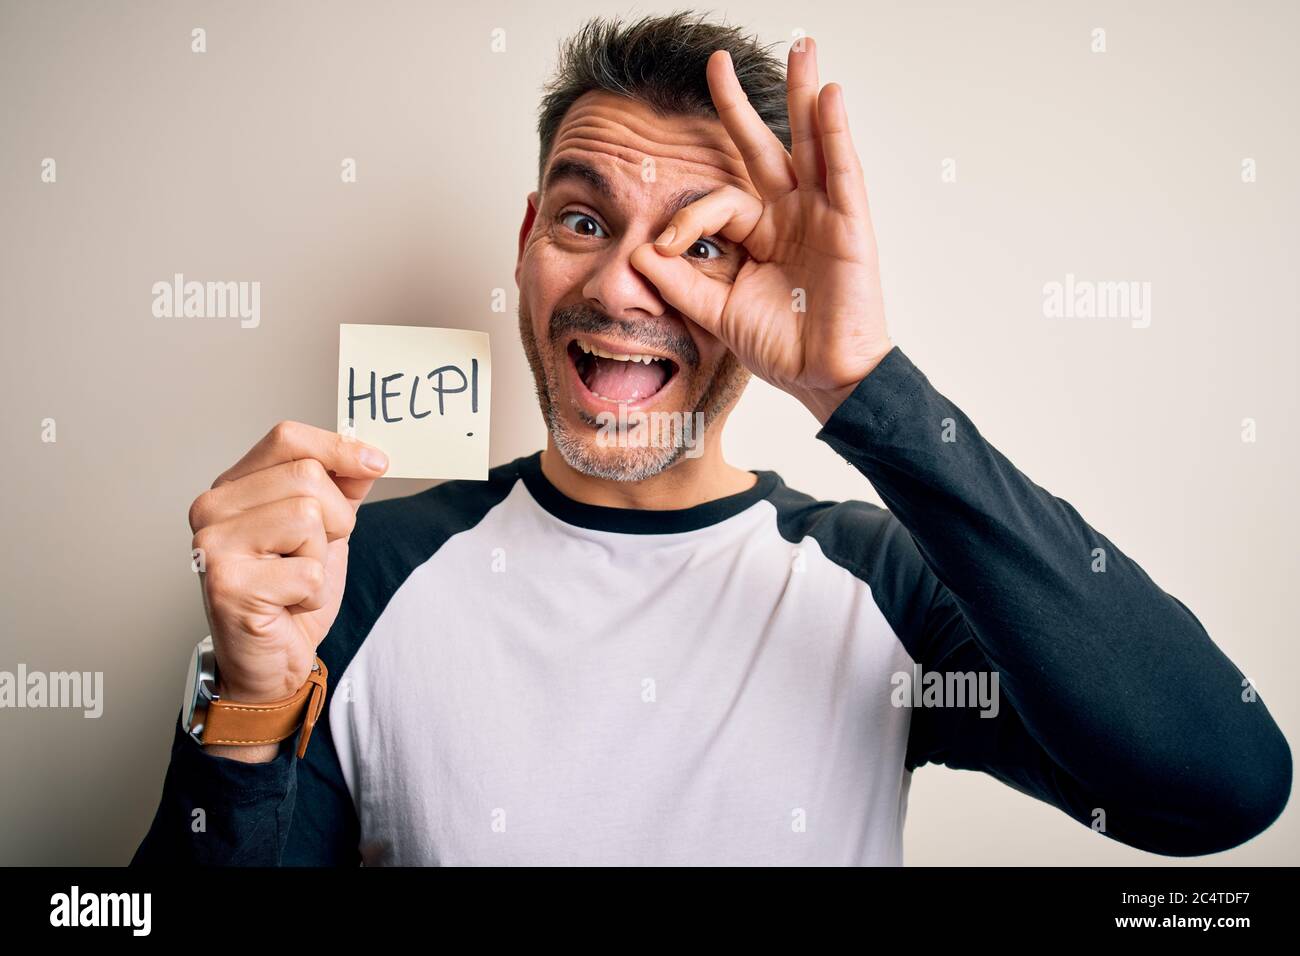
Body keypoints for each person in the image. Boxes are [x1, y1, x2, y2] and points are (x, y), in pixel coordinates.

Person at [133, 13, 1290, 866]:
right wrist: (245, 706)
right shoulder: (354, 574)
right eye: (583, 220)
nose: (622, 281)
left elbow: (1218, 785)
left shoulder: (877, 576)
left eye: (701, 246)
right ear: (530, 237)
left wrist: (864, 384)